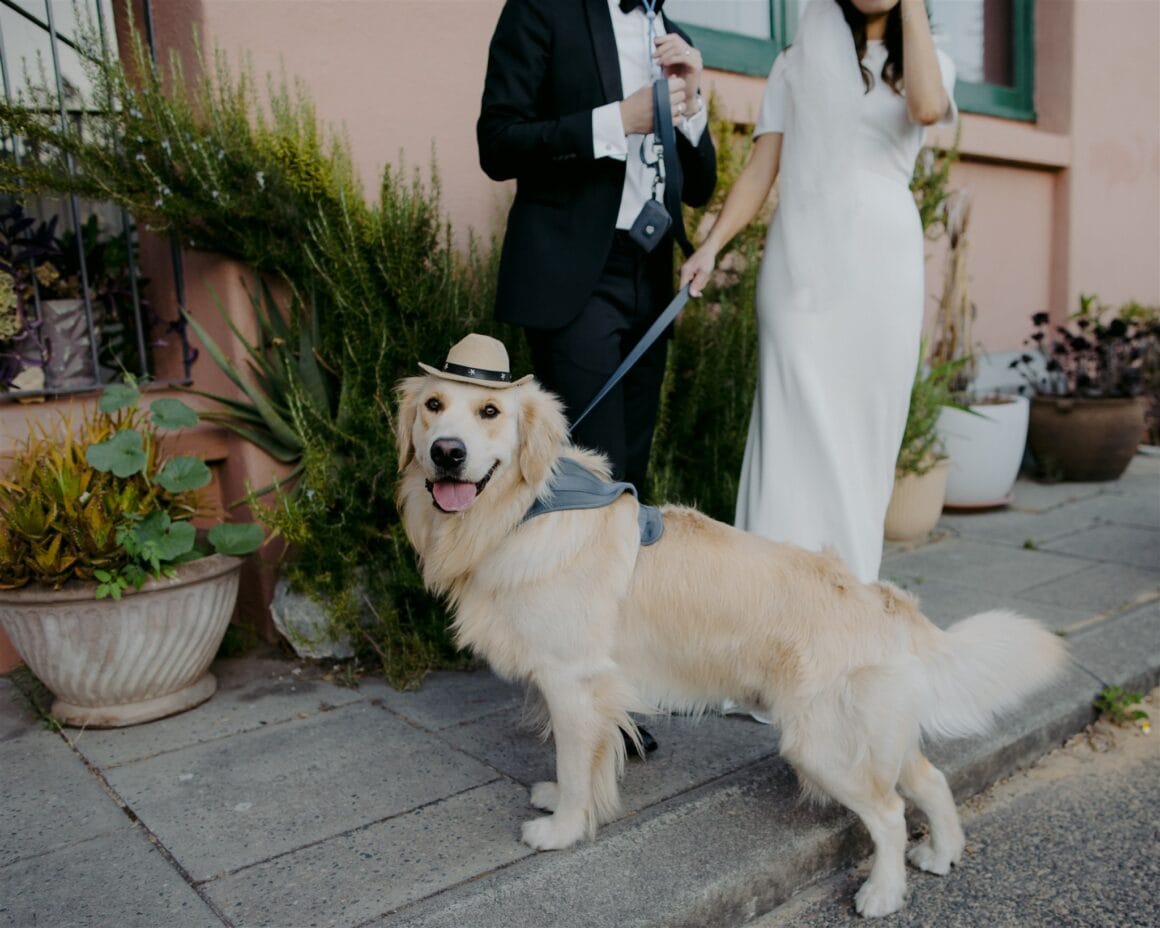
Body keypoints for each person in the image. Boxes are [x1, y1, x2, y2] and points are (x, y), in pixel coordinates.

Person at [680, 0, 956, 585]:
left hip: (883, 267)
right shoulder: (794, 62)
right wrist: (711, 247)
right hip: (800, 268)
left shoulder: (930, 64)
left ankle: (844, 599)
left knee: (865, 438)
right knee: (790, 431)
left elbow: (929, 107)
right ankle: (768, 601)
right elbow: (762, 167)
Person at [477, 0, 717, 495]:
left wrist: (691, 103)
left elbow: (699, 188)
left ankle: (622, 574)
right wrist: (619, 120)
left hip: (650, 275)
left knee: (632, 476)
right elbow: (497, 143)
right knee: (596, 478)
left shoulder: (671, 34)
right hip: (573, 279)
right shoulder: (540, 10)